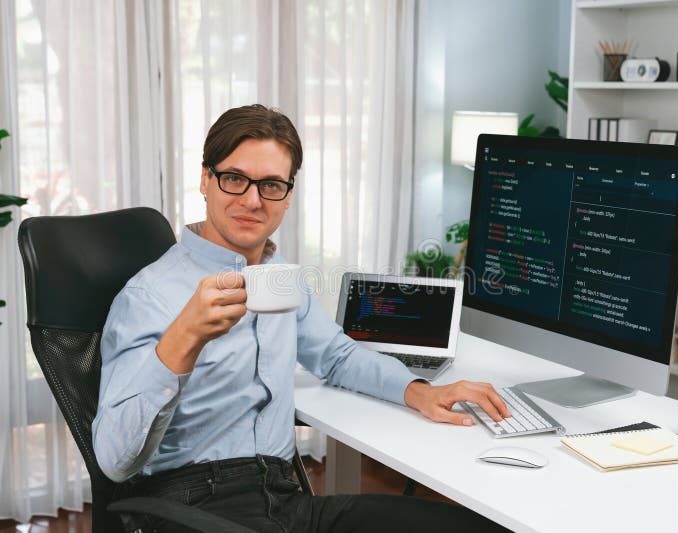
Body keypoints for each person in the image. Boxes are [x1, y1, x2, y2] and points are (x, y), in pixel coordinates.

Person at [92, 104, 511, 532]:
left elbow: (336, 355)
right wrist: (182, 340)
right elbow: (114, 461)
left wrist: (417, 391)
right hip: (193, 506)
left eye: (271, 185)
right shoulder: (149, 296)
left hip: (284, 501)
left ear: (288, 195)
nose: (252, 201)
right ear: (205, 179)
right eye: (234, 179)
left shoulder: (279, 278)